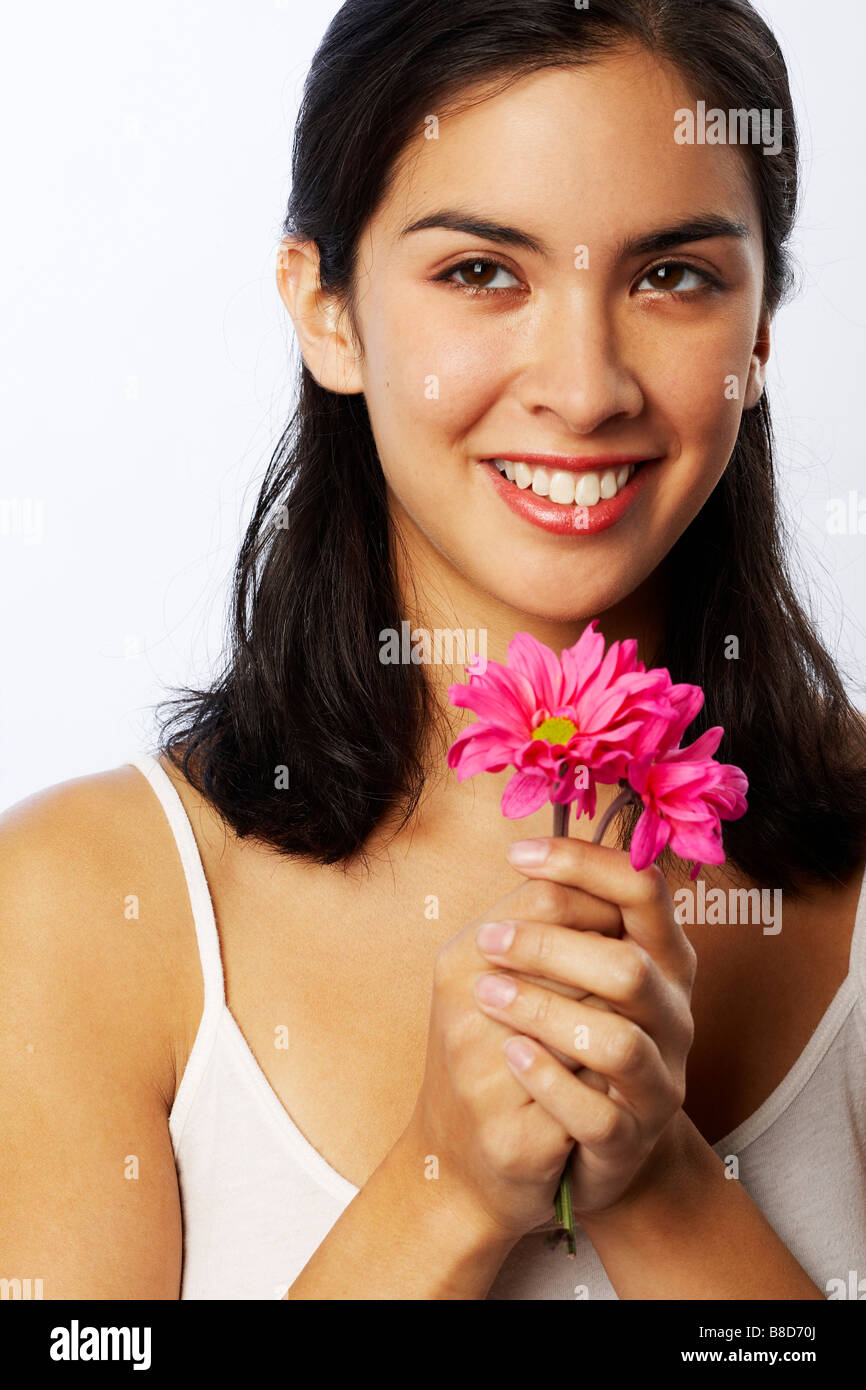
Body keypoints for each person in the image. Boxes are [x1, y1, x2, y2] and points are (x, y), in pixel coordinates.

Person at [2, 0, 865, 1301]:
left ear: (757, 331)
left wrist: (660, 1182)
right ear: (327, 308)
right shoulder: (75, 913)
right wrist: (441, 1190)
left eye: (669, 275)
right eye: (480, 271)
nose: (582, 387)